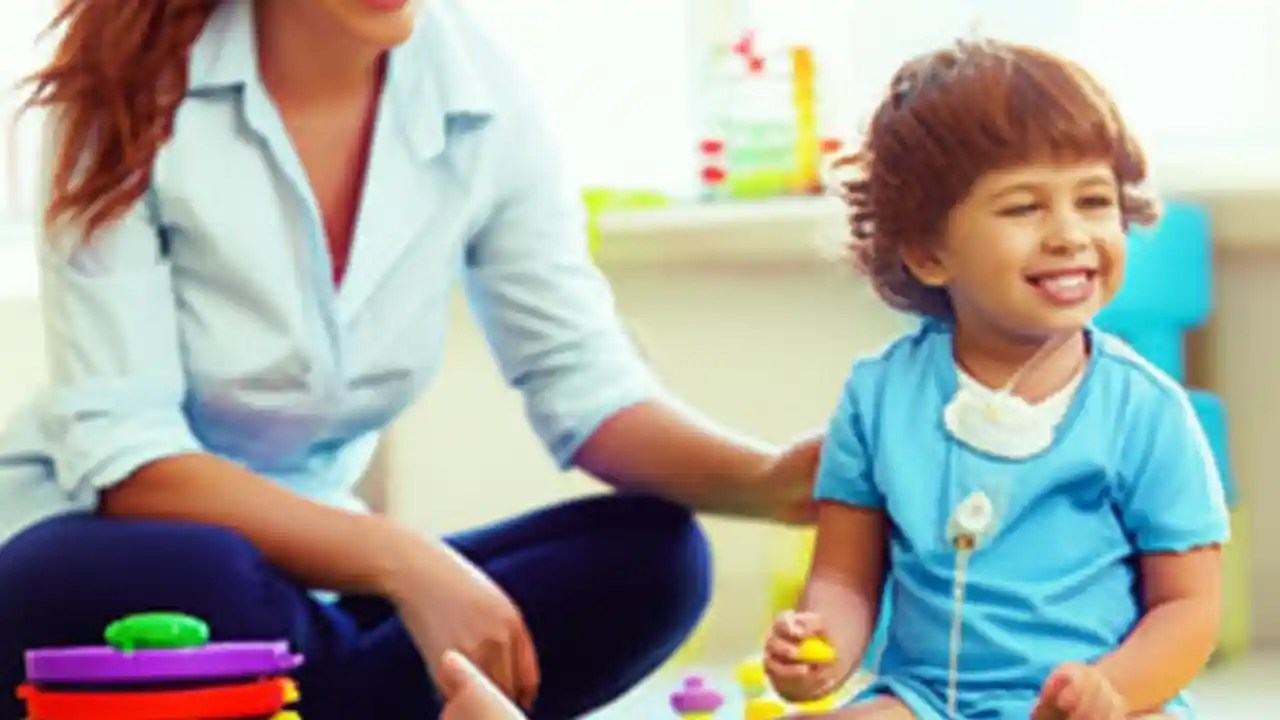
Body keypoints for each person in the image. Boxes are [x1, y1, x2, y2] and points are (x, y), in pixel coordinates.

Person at [0, 1, 822, 718]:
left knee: (656, 559)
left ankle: (297, 692)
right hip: (115, 545)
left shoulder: (484, 96)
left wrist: (773, 481)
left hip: (319, 588)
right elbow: (134, 463)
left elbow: (588, 388)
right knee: (200, 578)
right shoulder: (120, 93)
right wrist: (405, 564)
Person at [762, 40, 1229, 720]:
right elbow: (844, 576)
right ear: (927, 252)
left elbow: (1189, 605)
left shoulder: (1147, 410)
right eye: (1023, 208)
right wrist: (820, 648)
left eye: (1094, 201)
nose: (1070, 234)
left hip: (1106, 700)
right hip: (926, 700)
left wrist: (1114, 690)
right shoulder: (878, 398)